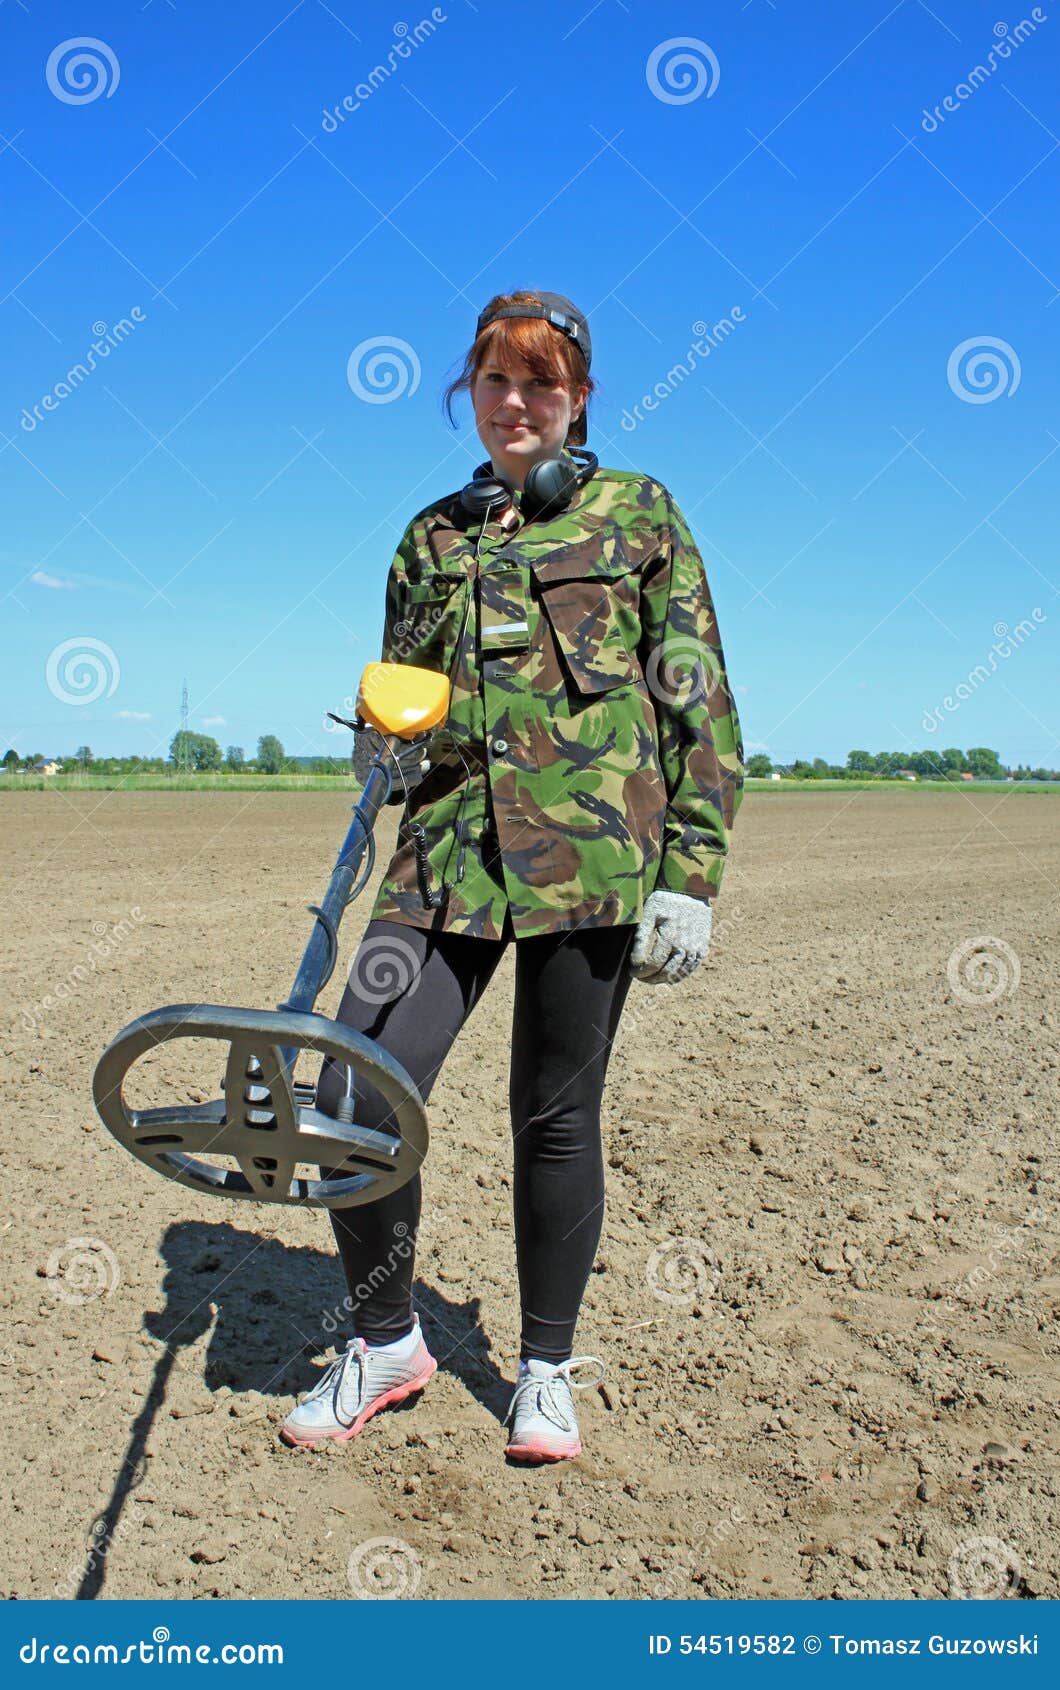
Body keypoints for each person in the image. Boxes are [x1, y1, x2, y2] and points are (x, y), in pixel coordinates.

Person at [280, 289, 744, 1462]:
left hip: (591, 861)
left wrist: (690, 867)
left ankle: (542, 1366)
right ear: (468, 394)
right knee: (351, 1095)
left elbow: (696, 696)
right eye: (494, 380)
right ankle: (386, 1340)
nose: (515, 402)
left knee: (552, 1114)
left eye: (541, 382)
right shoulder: (428, 538)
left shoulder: (637, 514)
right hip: (440, 857)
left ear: (578, 397)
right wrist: (376, 746)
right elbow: (400, 695)